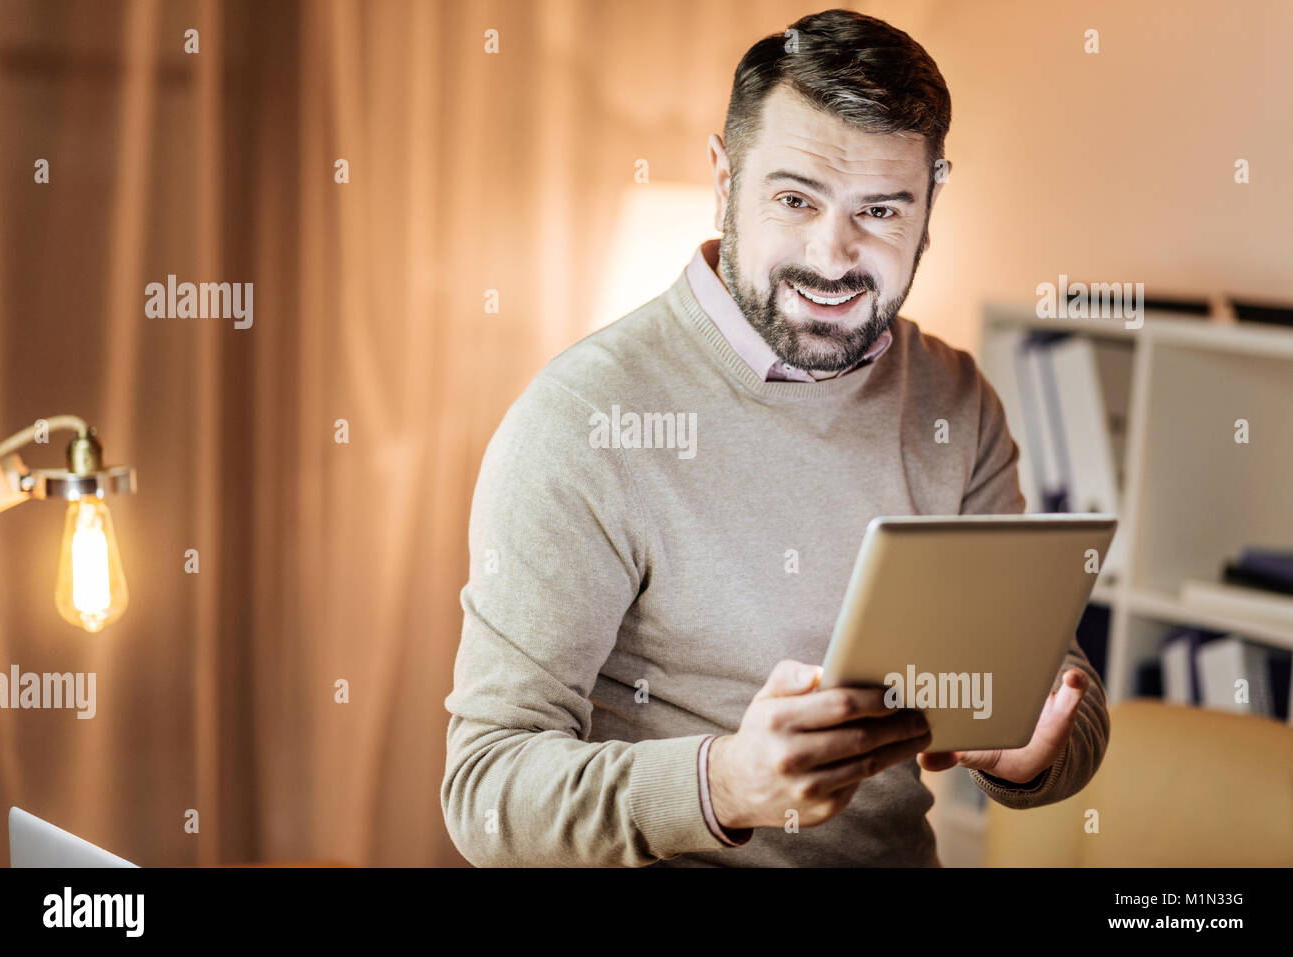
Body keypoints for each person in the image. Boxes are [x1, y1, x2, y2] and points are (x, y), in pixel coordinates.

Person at [441, 8, 1109, 867]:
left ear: (929, 211)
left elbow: (1062, 689)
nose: (834, 256)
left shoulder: (955, 398)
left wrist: (1038, 749)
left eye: (880, 209)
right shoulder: (581, 419)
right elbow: (484, 790)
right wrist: (722, 786)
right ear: (723, 179)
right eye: (795, 199)